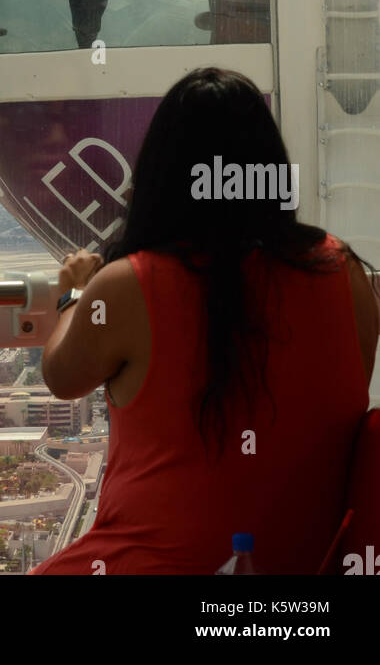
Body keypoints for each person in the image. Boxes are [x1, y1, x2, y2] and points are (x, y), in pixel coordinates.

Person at [29, 67, 379, 575]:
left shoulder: (130, 285)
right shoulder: (343, 272)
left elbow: (61, 377)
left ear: (159, 174)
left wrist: (75, 293)